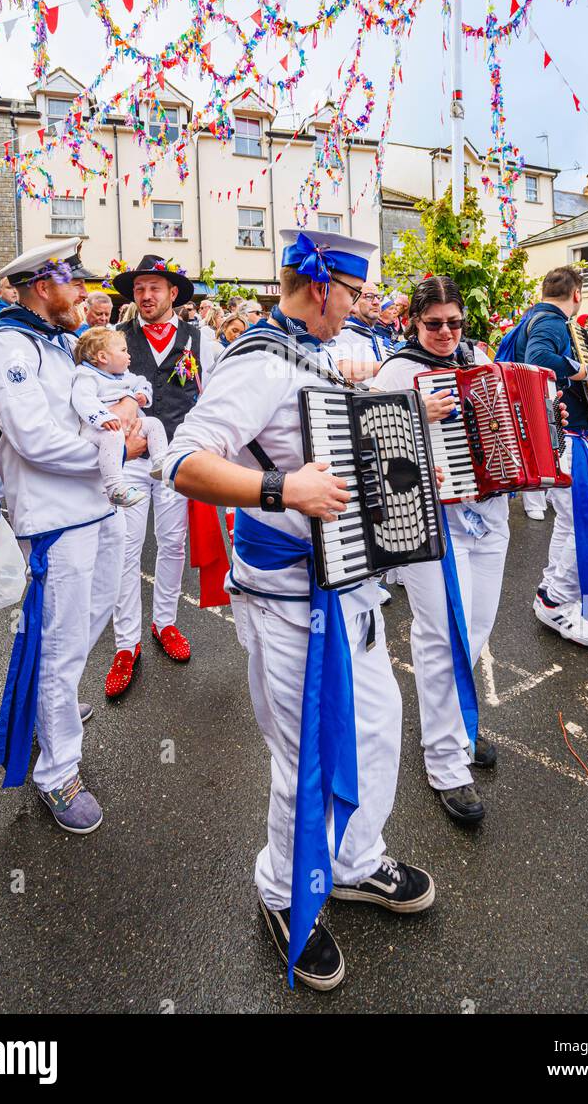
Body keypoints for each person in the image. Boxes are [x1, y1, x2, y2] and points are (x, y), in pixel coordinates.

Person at [158, 229, 435, 992]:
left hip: (352, 584)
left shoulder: (324, 350)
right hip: (288, 600)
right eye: (352, 294)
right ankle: (282, 894)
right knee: (304, 762)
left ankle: (351, 861)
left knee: (379, 728)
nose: (362, 306)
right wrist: (284, 491)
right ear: (320, 291)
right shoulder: (258, 361)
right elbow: (181, 461)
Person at [0, 240, 132, 833]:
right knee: (60, 645)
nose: (86, 295)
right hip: (56, 518)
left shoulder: (58, 347)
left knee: (89, 622)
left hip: (94, 508)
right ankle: (58, 771)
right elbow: (34, 439)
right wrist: (116, 452)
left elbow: (88, 413)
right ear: (44, 287)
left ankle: (50, 709)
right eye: (75, 283)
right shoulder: (6, 346)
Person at [373, 277, 507, 824]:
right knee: (441, 636)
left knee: (475, 628)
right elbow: (368, 442)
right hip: (433, 521)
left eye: (455, 322)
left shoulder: (479, 360)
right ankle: (445, 761)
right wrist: (412, 415)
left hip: (490, 513)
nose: (448, 333)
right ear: (414, 322)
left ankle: (453, 722)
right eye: (435, 324)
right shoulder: (398, 371)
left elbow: (508, 425)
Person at [106, 255, 215, 697]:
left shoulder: (200, 337)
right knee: (126, 549)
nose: (146, 296)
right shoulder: (115, 339)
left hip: (175, 458)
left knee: (172, 543)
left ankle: (164, 623)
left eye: (155, 288)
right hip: (131, 457)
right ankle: (125, 644)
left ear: (173, 294)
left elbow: (215, 391)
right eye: (139, 289)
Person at [518, 268, 588, 649]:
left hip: (559, 437)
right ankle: (556, 600)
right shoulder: (550, 321)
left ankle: (553, 588)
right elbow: (540, 358)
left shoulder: (536, 317)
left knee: (571, 518)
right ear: (577, 293)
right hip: (563, 437)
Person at [72, 327, 168, 509]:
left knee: (154, 423)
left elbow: (142, 382)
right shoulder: (87, 375)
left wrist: (141, 394)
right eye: (123, 351)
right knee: (113, 435)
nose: (129, 355)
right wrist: (103, 418)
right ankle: (115, 487)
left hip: (127, 425)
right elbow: (83, 399)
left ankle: (161, 461)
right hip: (98, 429)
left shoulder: (124, 376)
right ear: (103, 357)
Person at [329, 280, 385, 385]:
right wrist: (387, 365)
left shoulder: (378, 335)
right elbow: (341, 369)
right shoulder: (342, 331)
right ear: (353, 301)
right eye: (369, 296)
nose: (376, 302)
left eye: (378, 297)